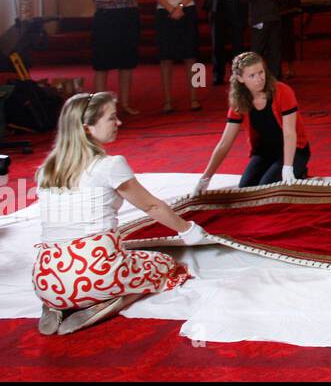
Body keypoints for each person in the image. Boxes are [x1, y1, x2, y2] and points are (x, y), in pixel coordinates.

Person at [32, 92, 207, 335]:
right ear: (87, 128)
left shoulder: (45, 171)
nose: (119, 123)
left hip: (45, 279)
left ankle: (55, 305)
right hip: (94, 274)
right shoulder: (109, 165)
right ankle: (110, 302)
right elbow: (151, 206)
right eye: (112, 118)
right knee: (167, 266)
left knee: (79, 273)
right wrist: (187, 230)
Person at [195, 50, 311, 190]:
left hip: (294, 150)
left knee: (266, 188)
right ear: (240, 78)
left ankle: (299, 170)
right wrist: (206, 178)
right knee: (245, 188)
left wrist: (287, 168)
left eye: (261, 72)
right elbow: (225, 143)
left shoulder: (282, 91)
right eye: (252, 75)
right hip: (265, 152)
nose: (259, 78)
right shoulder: (239, 101)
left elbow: (289, 133)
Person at [88, 0, 141, 115]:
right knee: (103, 64)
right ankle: (100, 108)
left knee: (126, 63)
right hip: (106, 19)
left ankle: (124, 104)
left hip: (127, 18)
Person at [150, 0, 201, 112]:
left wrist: (180, 7)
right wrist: (172, 9)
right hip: (165, 13)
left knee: (192, 57)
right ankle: (167, 100)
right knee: (166, 58)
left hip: (187, 11)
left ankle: (195, 96)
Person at [243, 0, 285, 78]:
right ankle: (254, 77)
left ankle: (275, 80)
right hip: (258, 20)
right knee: (257, 52)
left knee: (275, 52)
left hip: (273, 18)